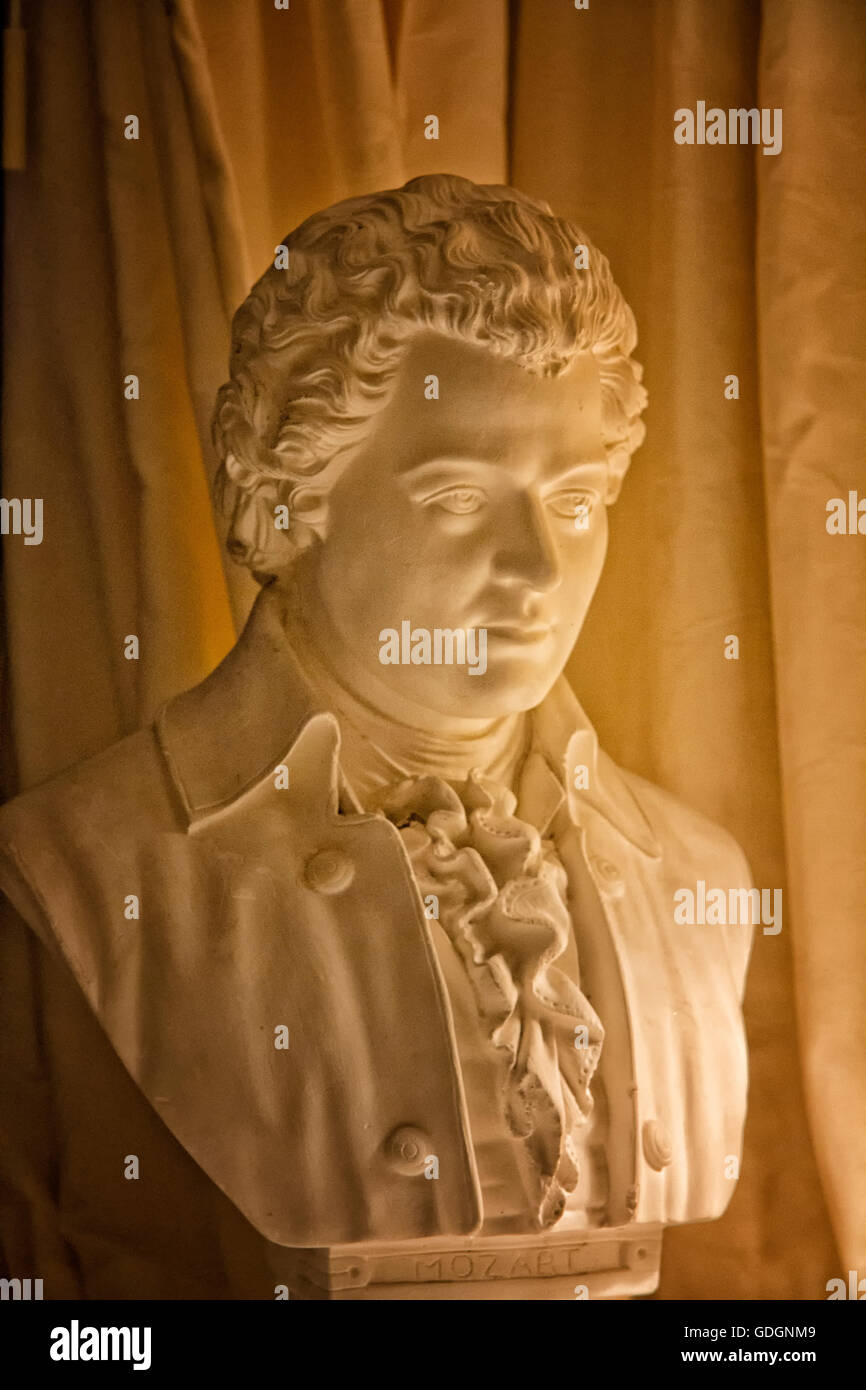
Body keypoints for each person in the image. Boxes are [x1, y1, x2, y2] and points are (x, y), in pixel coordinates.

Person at [0, 173, 753, 1300]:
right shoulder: (77, 877)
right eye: (457, 498)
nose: (537, 570)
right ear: (286, 497)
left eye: (575, 501)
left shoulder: (702, 878)